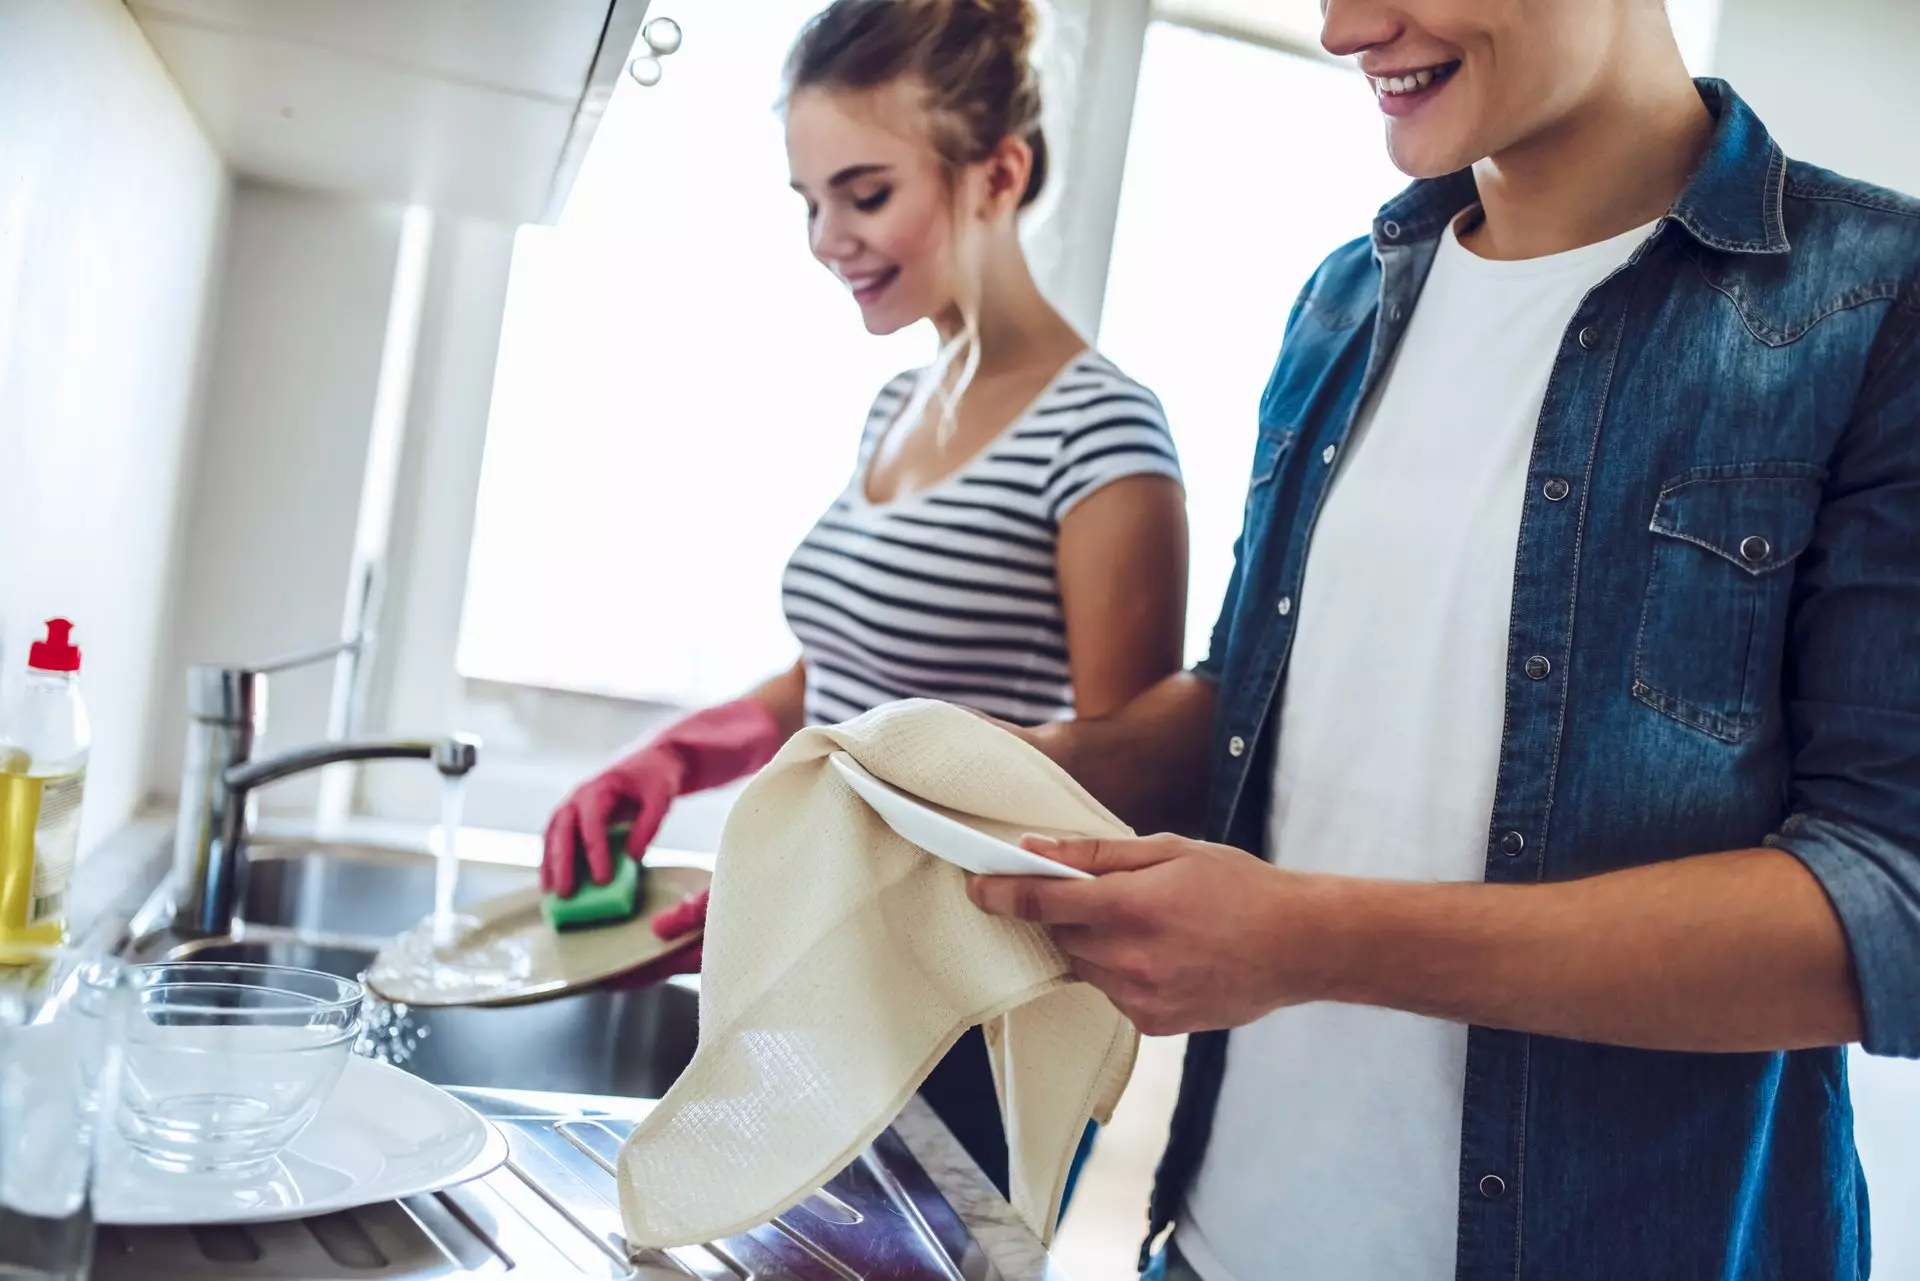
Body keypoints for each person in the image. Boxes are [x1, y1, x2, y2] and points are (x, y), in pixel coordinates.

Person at [964, 1, 1920, 1278]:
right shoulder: (1343, 302)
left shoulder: (1877, 305)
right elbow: (1255, 700)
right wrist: (987, 776)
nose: (1346, 28)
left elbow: (1887, 906)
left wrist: (1302, 941)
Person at [541, 0, 1190, 1210]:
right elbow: (838, 678)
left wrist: (827, 875)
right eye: (807, 200)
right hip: (833, 998)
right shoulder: (897, 404)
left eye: (865, 192)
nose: (827, 236)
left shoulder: (1101, 432)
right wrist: (676, 758)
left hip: (953, 1026)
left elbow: (1105, 796)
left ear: (999, 173)